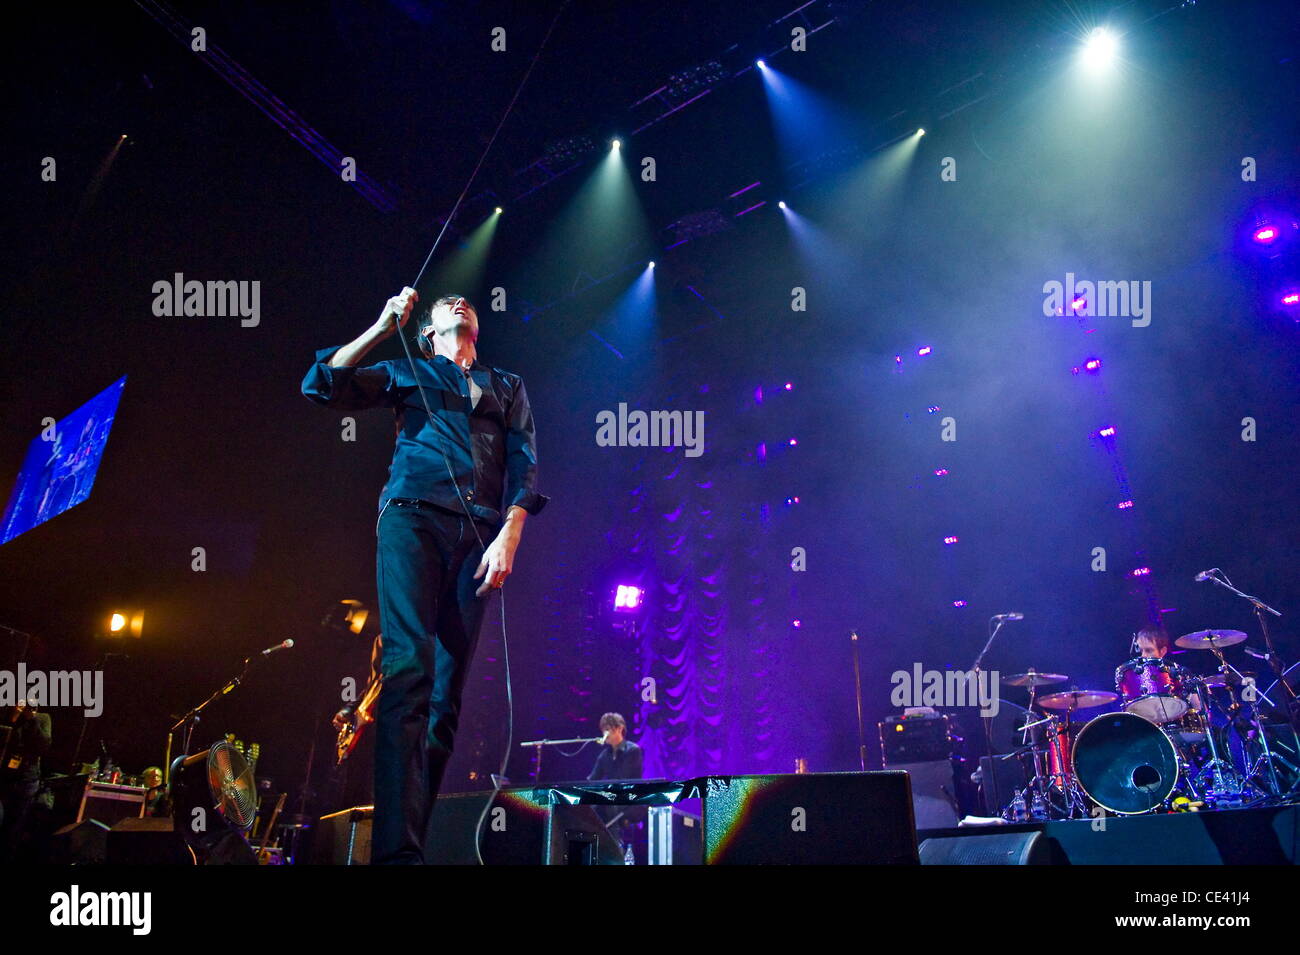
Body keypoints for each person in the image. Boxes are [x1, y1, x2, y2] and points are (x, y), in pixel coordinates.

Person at [303, 290, 547, 864]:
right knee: (408, 668)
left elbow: (524, 463)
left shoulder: (506, 386)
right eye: (447, 303)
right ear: (429, 332)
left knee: (446, 699)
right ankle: (396, 855)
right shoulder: (405, 368)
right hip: (412, 518)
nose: (460, 301)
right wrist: (381, 326)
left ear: (476, 330)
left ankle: (409, 843)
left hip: (479, 537)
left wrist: (510, 535)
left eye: (466, 303)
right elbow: (323, 385)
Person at [0, 701, 52, 862]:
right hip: (4, 777)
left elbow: (43, 745)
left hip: (26, 780)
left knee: (14, 827)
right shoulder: (7, 715)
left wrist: (32, 719)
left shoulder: (43, 718)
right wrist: (13, 719)